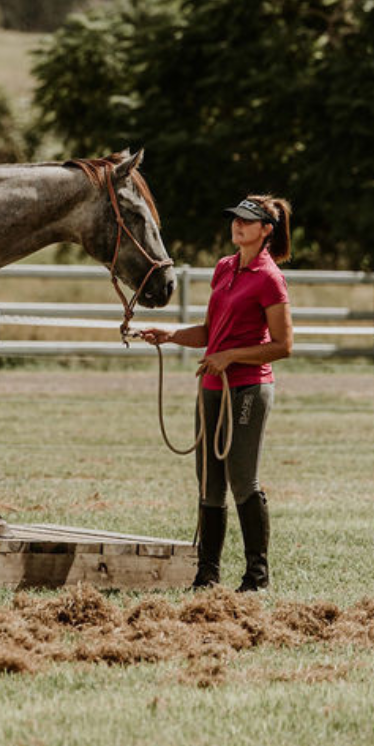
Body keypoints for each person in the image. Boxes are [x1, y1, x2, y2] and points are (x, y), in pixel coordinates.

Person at [142, 195, 293, 592]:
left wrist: (230, 357)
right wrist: (171, 335)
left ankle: (256, 577)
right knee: (209, 480)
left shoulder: (269, 277)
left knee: (243, 479)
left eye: (247, 220)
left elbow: (283, 345)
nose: (237, 225)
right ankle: (207, 575)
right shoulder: (224, 268)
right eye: (235, 219)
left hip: (248, 388)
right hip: (211, 387)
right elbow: (210, 333)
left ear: (266, 231)